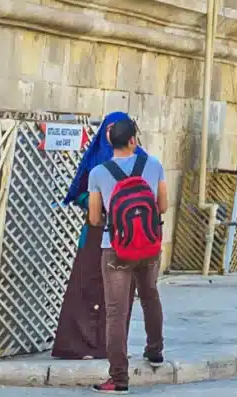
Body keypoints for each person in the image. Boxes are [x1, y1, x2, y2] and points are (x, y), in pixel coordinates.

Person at [84, 117, 166, 393]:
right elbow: (162, 206)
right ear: (134, 140)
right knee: (150, 295)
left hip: (116, 249)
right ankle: (155, 349)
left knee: (117, 312)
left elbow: (95, 218)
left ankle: (118, 378)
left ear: (110, 142)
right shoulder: (153, 165)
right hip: (149, 246)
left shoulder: (98, 172)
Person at [53, 110, 129, 361]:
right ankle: (78, 345)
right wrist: (95, 201)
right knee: (85, 285)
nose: (112, 134)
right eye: (109, 129)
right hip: (95, 232)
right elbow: (78, 193)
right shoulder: (94, 160)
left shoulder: (139, 161)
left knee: (116, 291)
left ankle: (106, 347)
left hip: (125, 235)